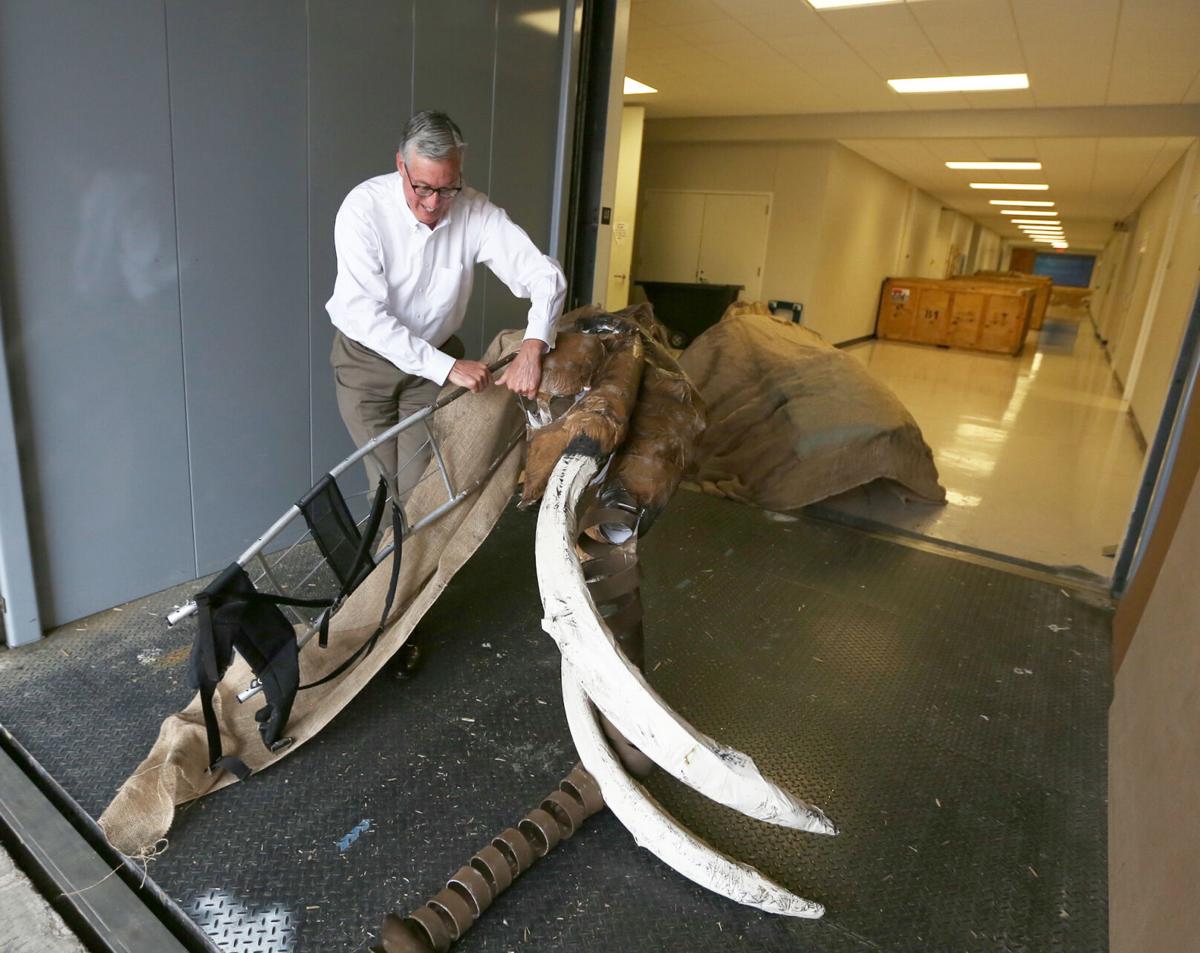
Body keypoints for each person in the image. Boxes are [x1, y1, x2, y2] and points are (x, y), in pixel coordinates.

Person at [326, 109, 566, 502]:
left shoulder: (475, 211)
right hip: (366, 365)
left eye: (448, 188)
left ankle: (416, 563)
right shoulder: (363, 209)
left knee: (421, 486)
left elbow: (545, 276)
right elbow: (364, 315)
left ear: (460, 171)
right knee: (387, 487)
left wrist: (533, 345)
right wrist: (449, 367)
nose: (435, 203)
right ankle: (387, 565)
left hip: (429, 371)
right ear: (400, 165)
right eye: (422, 188)